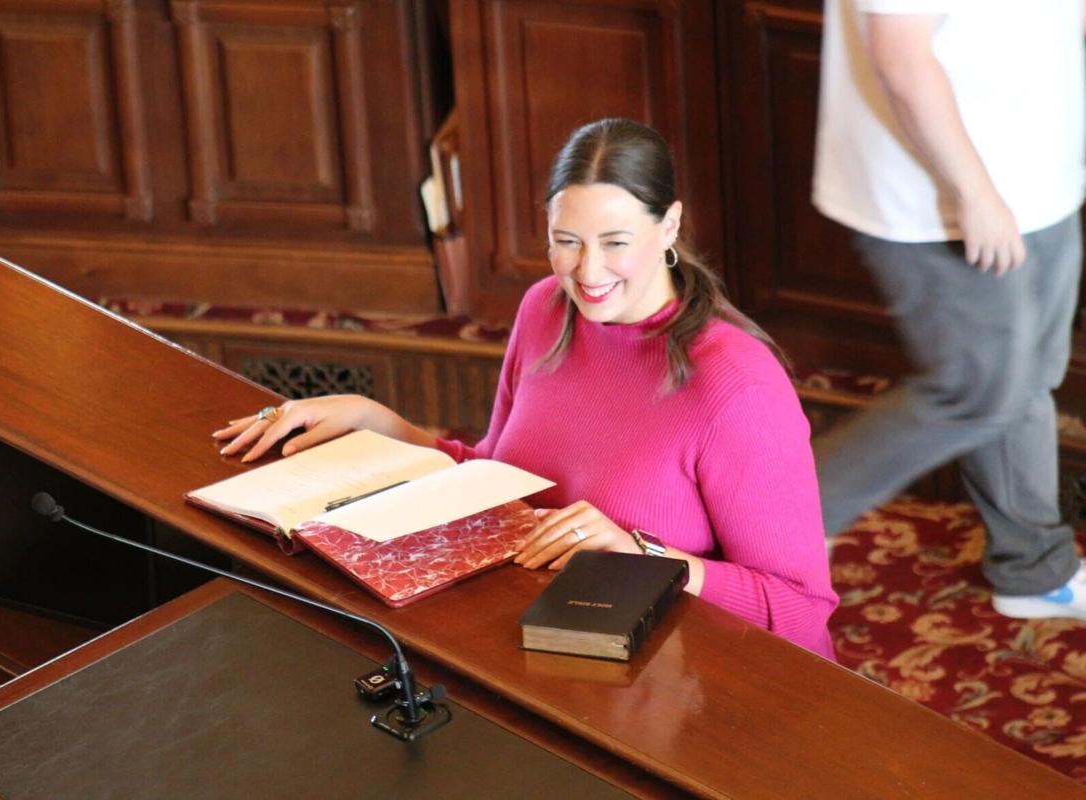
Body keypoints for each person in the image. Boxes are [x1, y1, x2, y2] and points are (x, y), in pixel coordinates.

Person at [215, 118, 838, 657]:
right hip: (536, 637)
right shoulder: (546, 307)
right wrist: (382, 426)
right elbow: (503, 478)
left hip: (680, 673)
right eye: (566, 242)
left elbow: (802, 612)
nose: (587, 273)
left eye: (615, 243)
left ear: (670, 225)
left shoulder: (738, 384)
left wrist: (645, 556)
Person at [812, 2, 1086, 618]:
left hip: (1040, 176)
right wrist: (977, 196)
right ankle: (780, 520)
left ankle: (1032, 568)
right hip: (945, 195)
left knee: (1028, 379)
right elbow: (900, 55)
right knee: (975, 391)